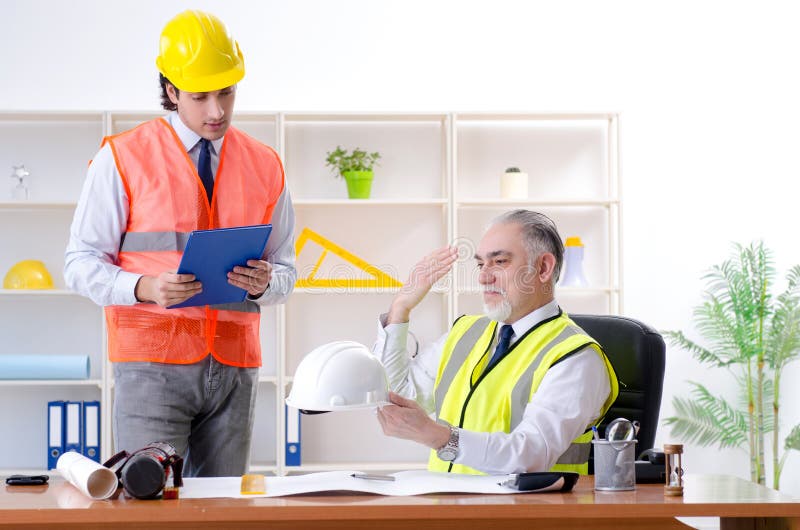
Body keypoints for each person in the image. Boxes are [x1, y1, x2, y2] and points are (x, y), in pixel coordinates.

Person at [64, 10, 295, 477]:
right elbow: (80, 262)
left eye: (226, 93)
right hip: (152, 367)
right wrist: (144, 287)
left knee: (222, 513)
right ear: (171, 91)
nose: (217, 111)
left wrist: (263, 284)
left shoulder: (266, 164)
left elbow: (286, 269)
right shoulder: (123, 158)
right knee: (149, 506)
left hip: (234, 372)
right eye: (200, 96)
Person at [374, 209, 618, 475]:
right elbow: (394, 395)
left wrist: (437, 436)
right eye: (481, 264)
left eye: (499, 262)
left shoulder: (575, 357)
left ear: (543, 267)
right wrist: (401, 307)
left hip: (522, 513)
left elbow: (532, 454)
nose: (483, 276)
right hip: (446, 506)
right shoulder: (465, 333)